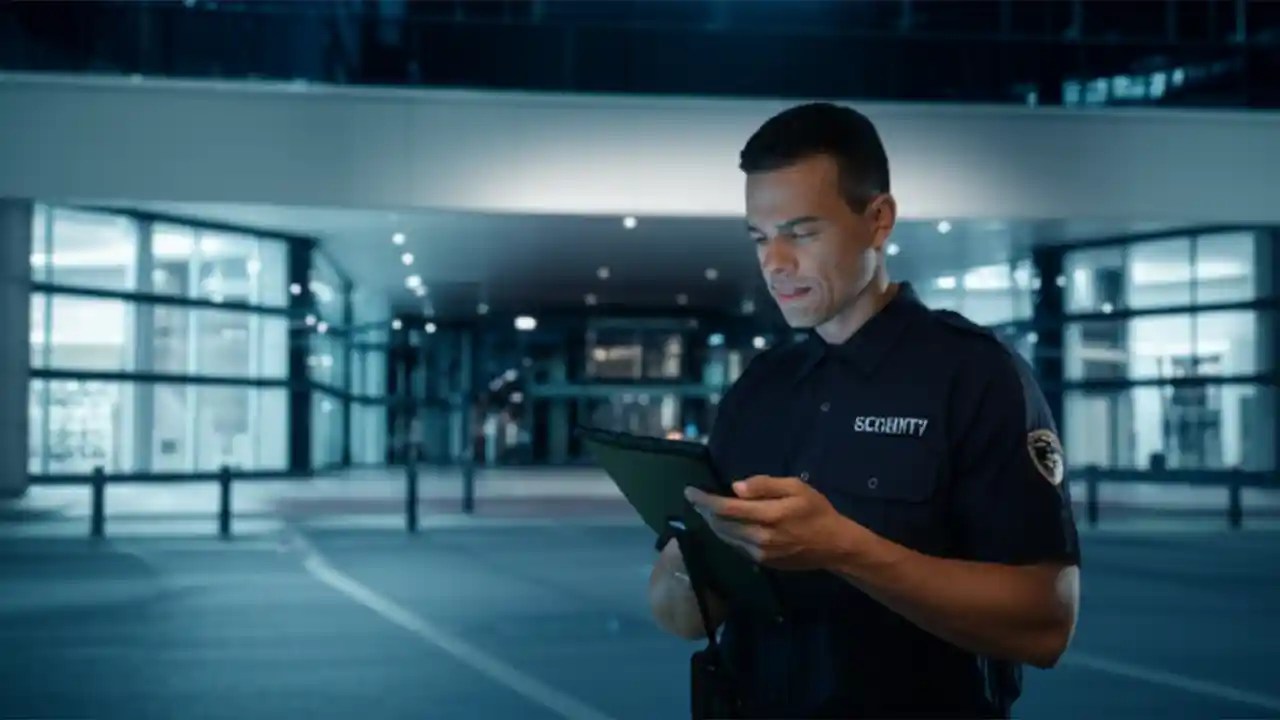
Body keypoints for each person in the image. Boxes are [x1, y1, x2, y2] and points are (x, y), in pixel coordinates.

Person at [647, 102, 1082, 719]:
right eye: (760, 237)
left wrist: (844, 548)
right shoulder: (760, 388)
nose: (775, 263)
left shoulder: (976, 376)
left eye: (801, 232)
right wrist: (694, 561)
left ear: (878, 220)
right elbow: (677, 618)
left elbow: (1046, 624)